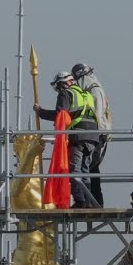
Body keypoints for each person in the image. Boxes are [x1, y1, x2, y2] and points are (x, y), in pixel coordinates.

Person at [34, 71, 100, 209]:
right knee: (85, 170)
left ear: (65, 83)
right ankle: (87, 201)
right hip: (93, 136)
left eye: (59, 86)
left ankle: (80, 200)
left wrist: (40, 112)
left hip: (78, 135)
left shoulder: (66, 93)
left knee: (74, 170)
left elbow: (60, 114)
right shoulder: (86, 94)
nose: (59, 90)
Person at [72, 63, 111, 207]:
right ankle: (94, 202)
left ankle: (95, 202)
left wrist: (101, 133)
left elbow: (98, 113)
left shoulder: (94, 90)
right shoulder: (94, 89)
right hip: (97, 133)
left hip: (98, 133)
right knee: (90, 168)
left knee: (90, 168)